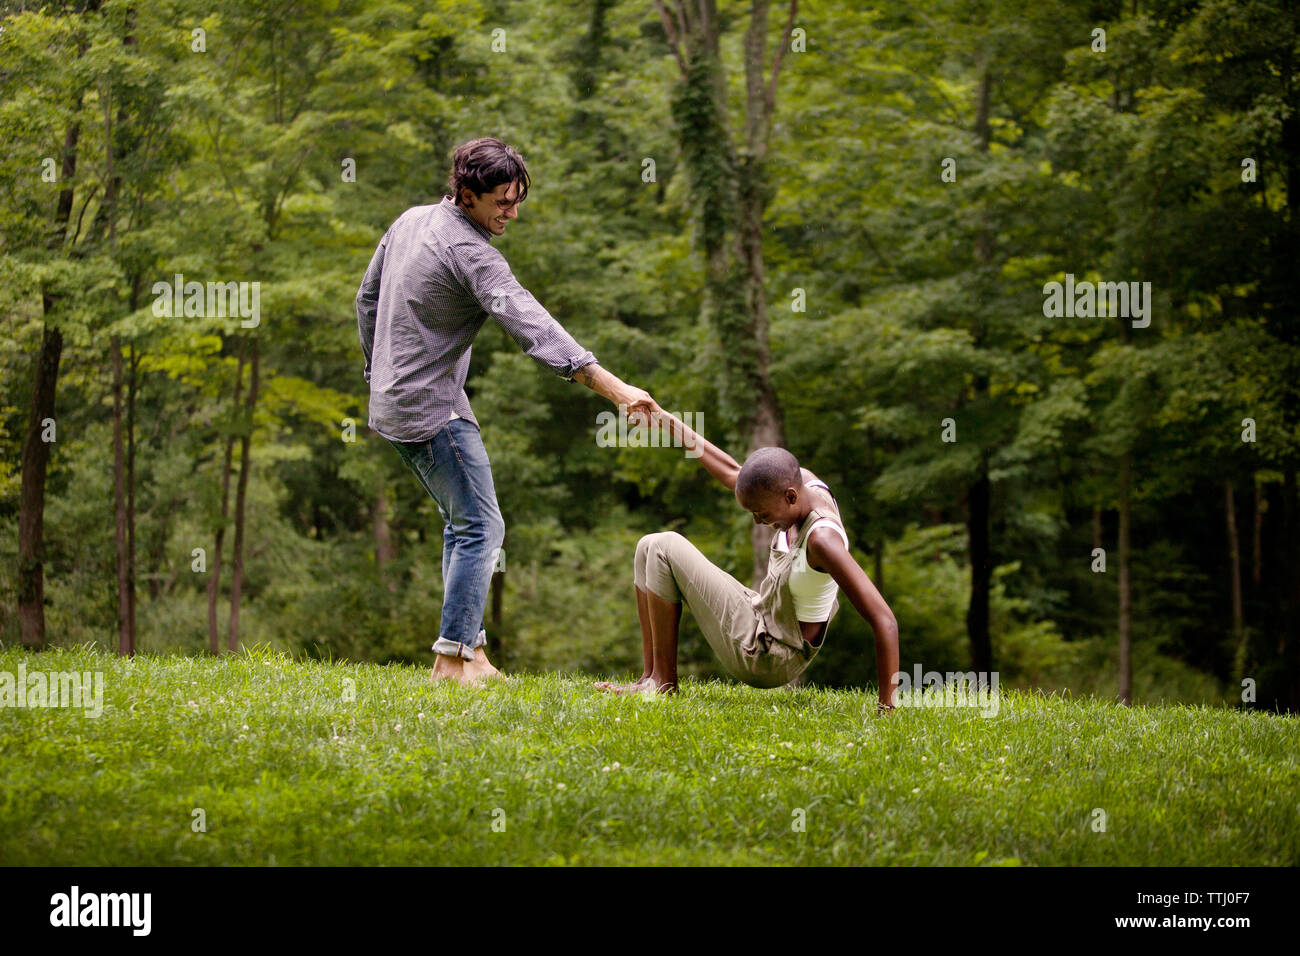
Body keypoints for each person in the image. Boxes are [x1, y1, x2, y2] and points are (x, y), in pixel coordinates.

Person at [356, 136, 653, 687]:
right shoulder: (471, 254)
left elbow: (365, 300)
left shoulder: (412, 220)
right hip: (428, 409)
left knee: (461, 523)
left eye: (517, 199)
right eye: (502, 201)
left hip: (400, 400)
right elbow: (532, 325)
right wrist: (616, 390)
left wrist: (379, 374)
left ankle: (475, 656)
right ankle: (450, 661)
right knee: (482, 527)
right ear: (466, 194)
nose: (512, 212)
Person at [596, 401, 900, 711]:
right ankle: (650, 678)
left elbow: (884, 620)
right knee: (647, 545)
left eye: (762, 513)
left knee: (664, 546)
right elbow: (733, 473)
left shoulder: (822, 539)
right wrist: (666, 420)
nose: (758, 521)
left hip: (773, 655)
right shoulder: (798, 482)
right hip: (761, 615)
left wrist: (887, 707)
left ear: (791, 497)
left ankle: (662, 685)